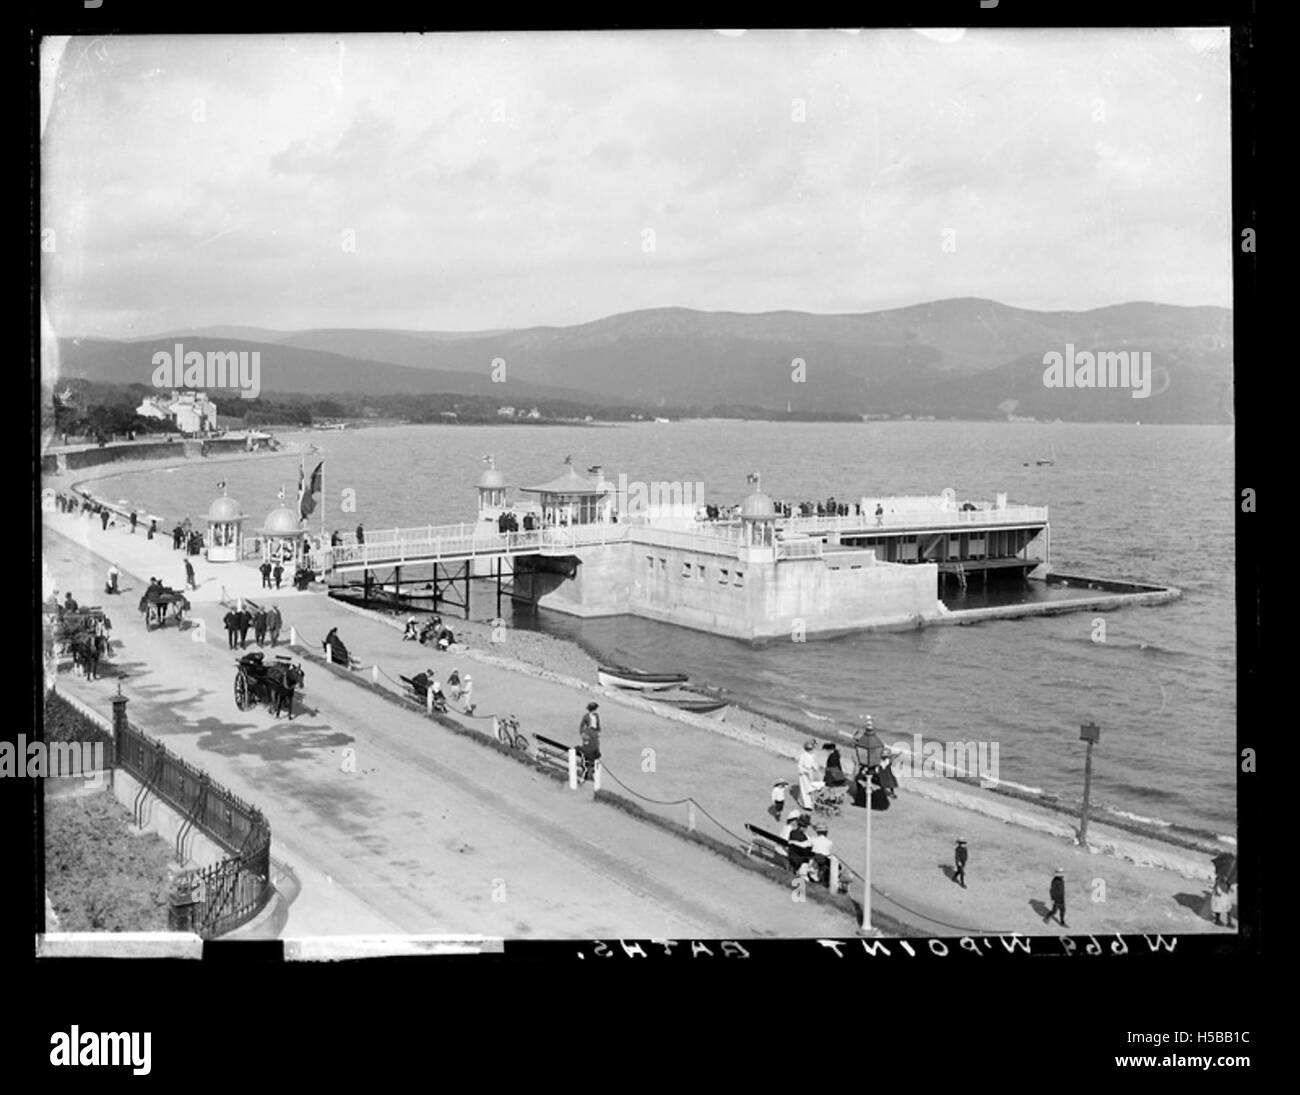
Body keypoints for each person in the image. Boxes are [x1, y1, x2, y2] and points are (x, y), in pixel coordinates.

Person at [796, 739, 822, 810]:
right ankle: (806, 805)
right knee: (805, 788)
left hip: (810, 774)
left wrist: (816, 770)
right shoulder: (803, 756)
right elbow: (800, 766)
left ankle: (806, 802)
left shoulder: (813, 755)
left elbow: (814, 764)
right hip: (804, 775)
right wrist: (804, 771)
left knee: (809, 788)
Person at [578, 702, 602, 776]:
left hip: (594, 733)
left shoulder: (596, 716)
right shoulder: (586, 716)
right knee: (587, 750)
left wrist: (598, 731)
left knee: (595, 749)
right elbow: (582, 725)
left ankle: (592, 770)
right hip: (588, 733)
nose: (594, 710)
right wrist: (582, 733)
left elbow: (598, 725)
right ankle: (584, 768)